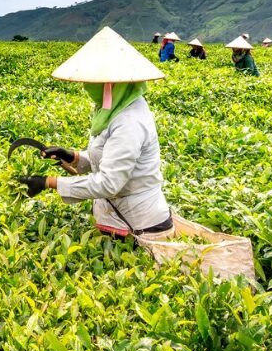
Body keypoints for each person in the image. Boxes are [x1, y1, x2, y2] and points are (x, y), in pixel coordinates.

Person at [15, 26, 174, 239]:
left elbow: (109, 182)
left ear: (110, 84)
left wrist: (48, 183)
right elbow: (108, 159)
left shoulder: (129, 121)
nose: (87, 87)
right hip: (115, 219)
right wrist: (72, 157)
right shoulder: (111, 108)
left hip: (141, 226)